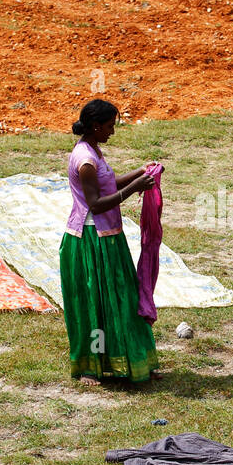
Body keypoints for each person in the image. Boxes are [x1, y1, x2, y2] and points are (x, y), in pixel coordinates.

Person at [59, 99, 160, 384]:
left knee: (122, 300)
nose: (111, 132)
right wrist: (135, 188)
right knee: (95, 304)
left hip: (109, 237)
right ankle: (91, 366)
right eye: (109, 126)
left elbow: (110, 184)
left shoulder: (93, 149)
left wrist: (141, 172)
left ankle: (123, 361)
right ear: (95, 125)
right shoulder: (86, 160)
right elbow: (97, 203)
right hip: (91, 240)